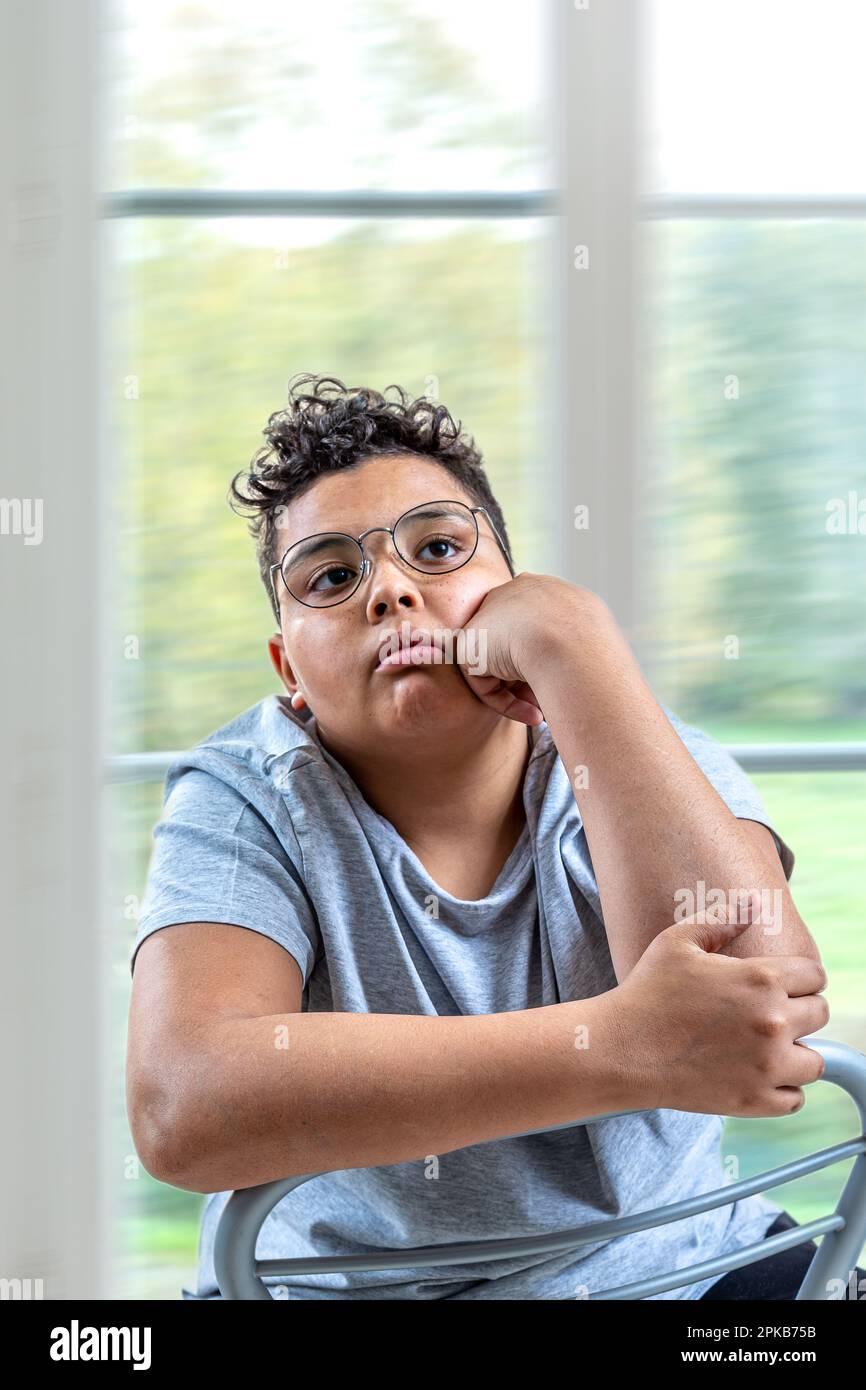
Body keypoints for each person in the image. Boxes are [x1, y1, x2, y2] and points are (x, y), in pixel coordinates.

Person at [126, 373, 840, 1301]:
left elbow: (766, 1017)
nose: (389, 589)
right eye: (333, 576)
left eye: (438, 548)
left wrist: (576, 647)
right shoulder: (243, 798)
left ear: (510, 593)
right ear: (287, 669)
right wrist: (621, 1043)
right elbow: (183, 1110)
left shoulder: (631, 748)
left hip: (691, 1277)